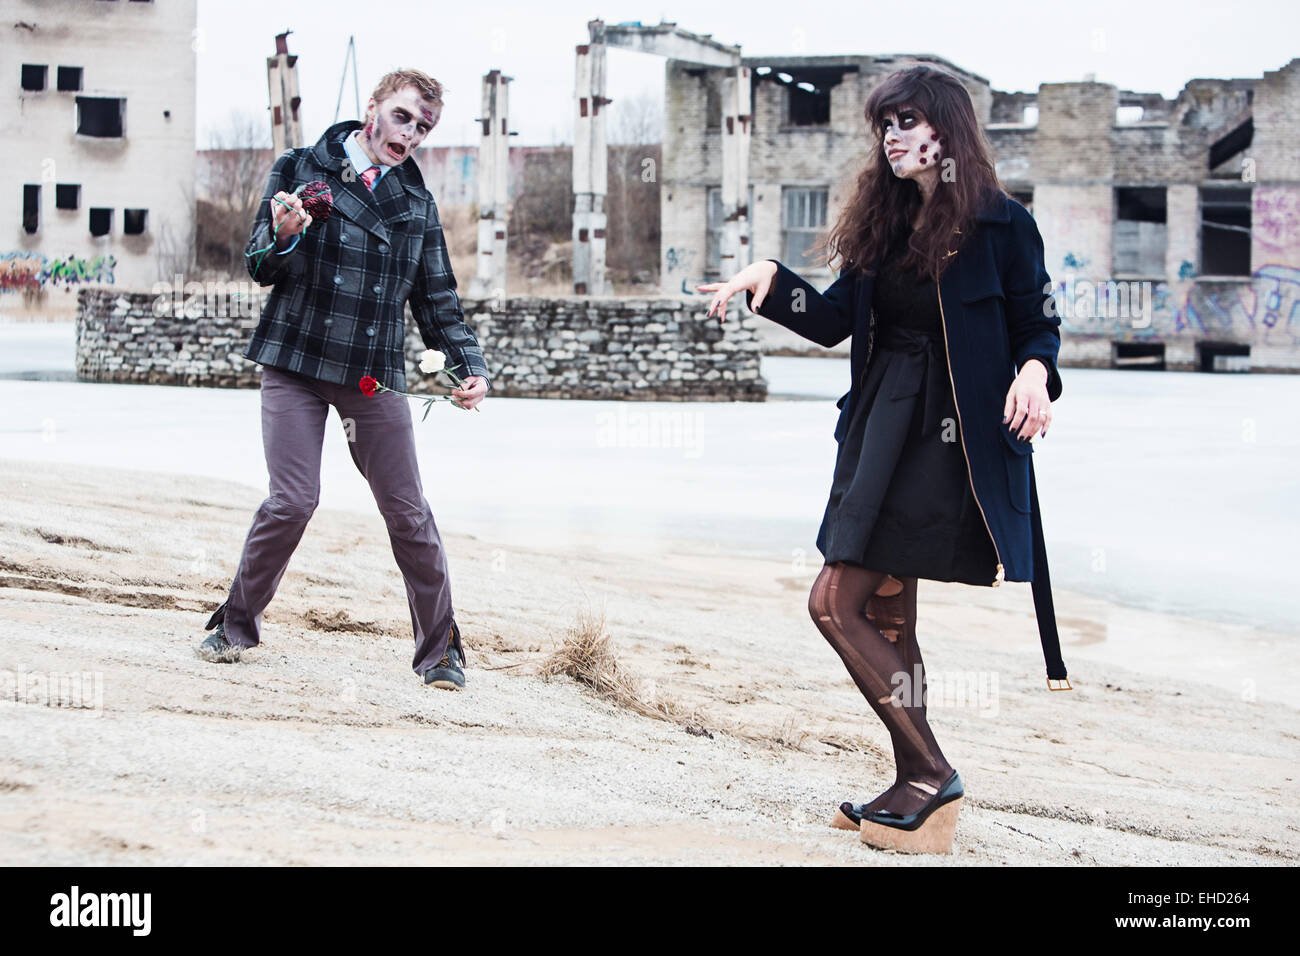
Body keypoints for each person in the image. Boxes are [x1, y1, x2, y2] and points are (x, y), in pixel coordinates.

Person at [698, 65, 1069, 853]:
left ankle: (934, 773)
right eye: (885, 126)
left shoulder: (1003, 224)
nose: (893, 137)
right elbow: (834, 323)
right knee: (888, 615)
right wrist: (772, 278)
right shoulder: (885, 221)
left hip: (947, 438)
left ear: (947, 130)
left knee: (835, 601)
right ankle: (912, 785)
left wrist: (1036, 376)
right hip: (876, 430)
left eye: (906, 122)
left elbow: (1038, 324)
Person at [196, 68, 490, 692]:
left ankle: (440, 652)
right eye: (404, 117)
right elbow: (258, 265)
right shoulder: (300, 167)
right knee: (294, 500)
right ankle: (235, 623)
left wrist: (469, 369)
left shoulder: (415, 204)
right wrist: (283, 236)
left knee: (408, 512)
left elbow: (437, 301)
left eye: (424, 127)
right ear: (374, 109)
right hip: (296, 361)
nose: (411, 134)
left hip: (370, 377)